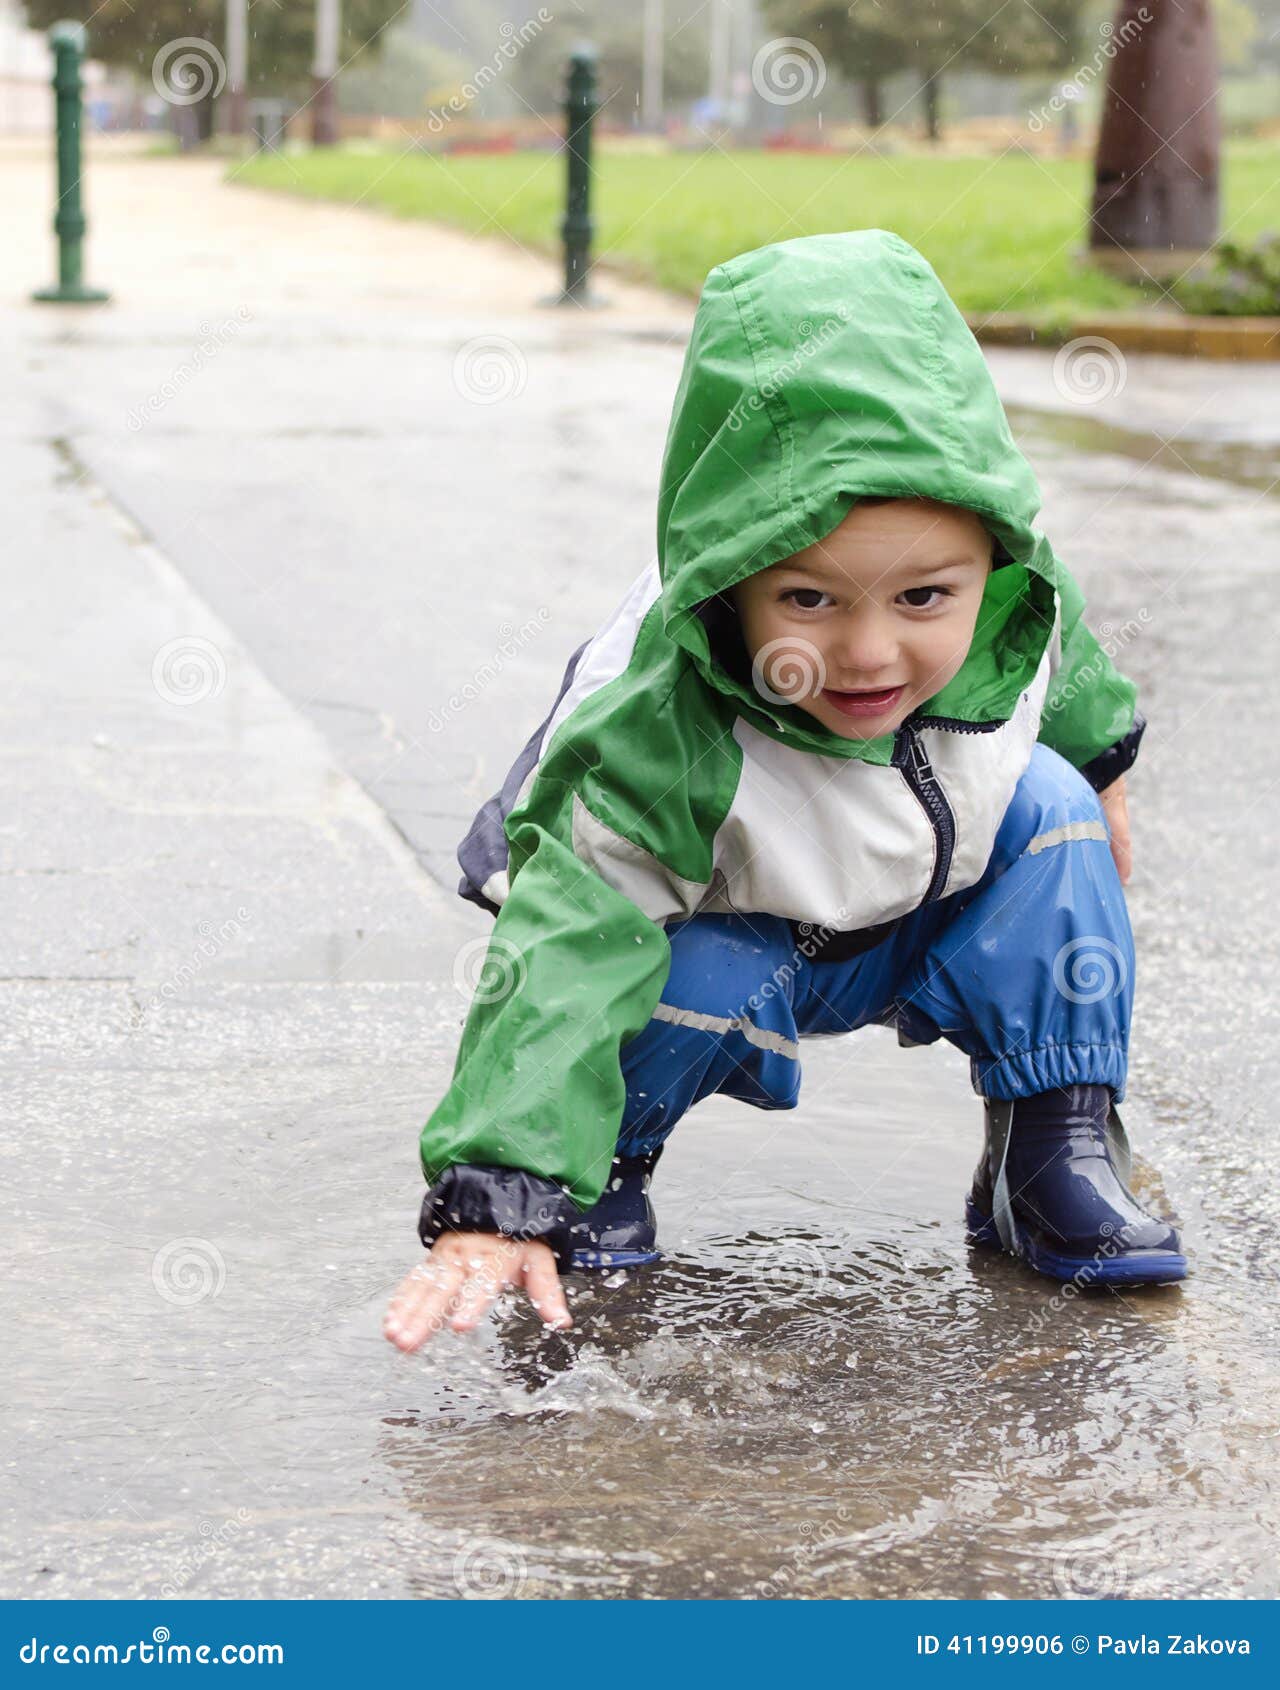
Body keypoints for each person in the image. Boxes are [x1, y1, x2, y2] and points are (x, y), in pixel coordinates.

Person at [384, 229, 1184, 1355]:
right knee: (664, 961)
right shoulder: (660, 729)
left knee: (1049, 811)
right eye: (806, 599)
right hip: (728, 943)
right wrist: (502, 1191)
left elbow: (1068, 669)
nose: (867, 653)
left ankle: (1049, 1145)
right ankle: (599, 1169)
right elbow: (566, 944)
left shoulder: (1011, 604)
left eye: (920, 597)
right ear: (729, 581)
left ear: (989, 570)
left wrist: (1102, 771)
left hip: (914, 901)